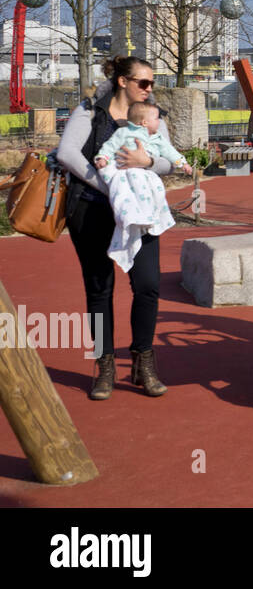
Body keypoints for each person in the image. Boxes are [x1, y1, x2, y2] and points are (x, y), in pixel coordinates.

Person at [57, 56, 178, 399]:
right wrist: (110, 185)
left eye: (152, 83)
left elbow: (169, 159)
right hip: (92, 209)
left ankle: (143, 362)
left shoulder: (152, 116)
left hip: (141, 214)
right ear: (123, 81)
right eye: (144, 83)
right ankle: (105, 366)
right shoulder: (91, 110)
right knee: (99, 289)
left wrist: (149, 161)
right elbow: (67, 153)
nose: (149, 89)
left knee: (148, 285)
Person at [93, 101, 192, 272]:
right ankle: (129, 217)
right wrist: (103, 157)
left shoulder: (157, 138)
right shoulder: (124, 132)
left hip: (144, 173)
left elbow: (170, 152)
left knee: (154, 187)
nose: (159, 122)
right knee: (122, 189)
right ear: (144, 122)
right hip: (122, 171)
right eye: (156, 118)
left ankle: (149, 215)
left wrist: (182, 163)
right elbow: (110, 146)